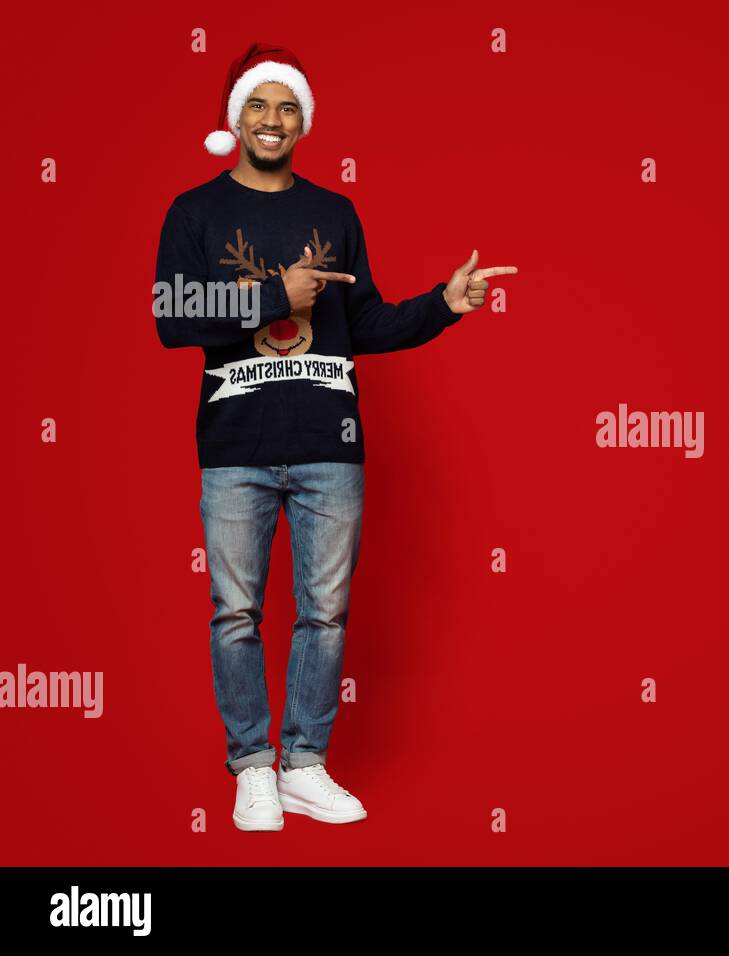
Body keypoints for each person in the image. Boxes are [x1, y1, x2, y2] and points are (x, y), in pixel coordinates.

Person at [152, 41, 517, 831]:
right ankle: (252, 768)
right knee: (236, 612)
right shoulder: (194, 212)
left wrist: (444, 304)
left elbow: (370, 325)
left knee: (325, 611)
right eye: (259, 104)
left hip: (330, 439)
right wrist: (275, 292)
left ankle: (304, 766)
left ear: (303, 122)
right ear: (235, 118)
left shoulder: (335, 212)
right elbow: (171, 317)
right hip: (234, 444)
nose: (273, 120)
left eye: (287, 107)